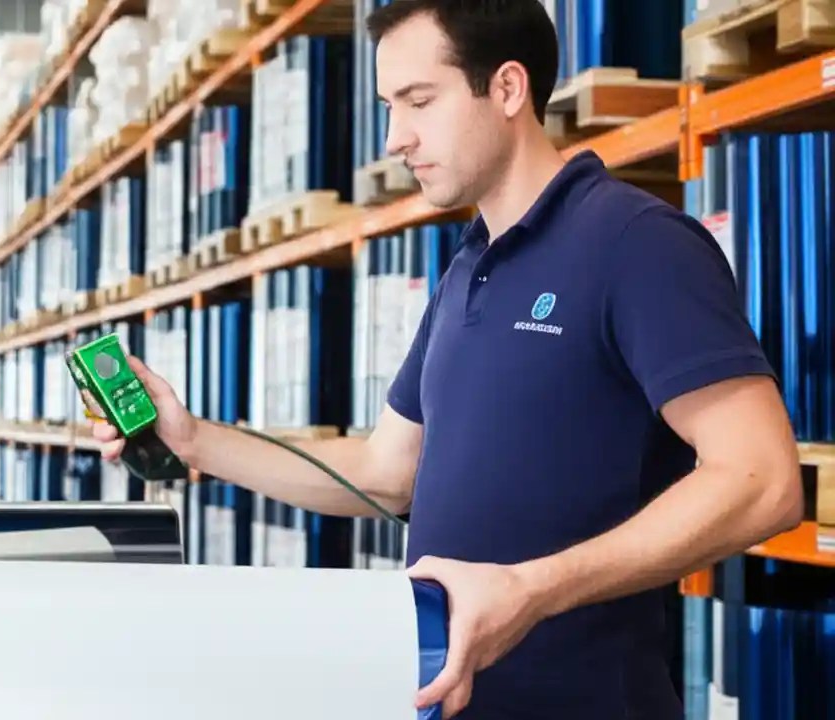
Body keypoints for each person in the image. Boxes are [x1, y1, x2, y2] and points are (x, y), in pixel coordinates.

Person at [91, 0, 804, 717]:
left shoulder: (637, 244)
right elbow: (385, 473)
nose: (396, 138)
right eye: (388, 106)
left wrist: (531, 590)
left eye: (419, 102)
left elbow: (762, 478)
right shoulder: (466, 271)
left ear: (506, 90)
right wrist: (196, 440)